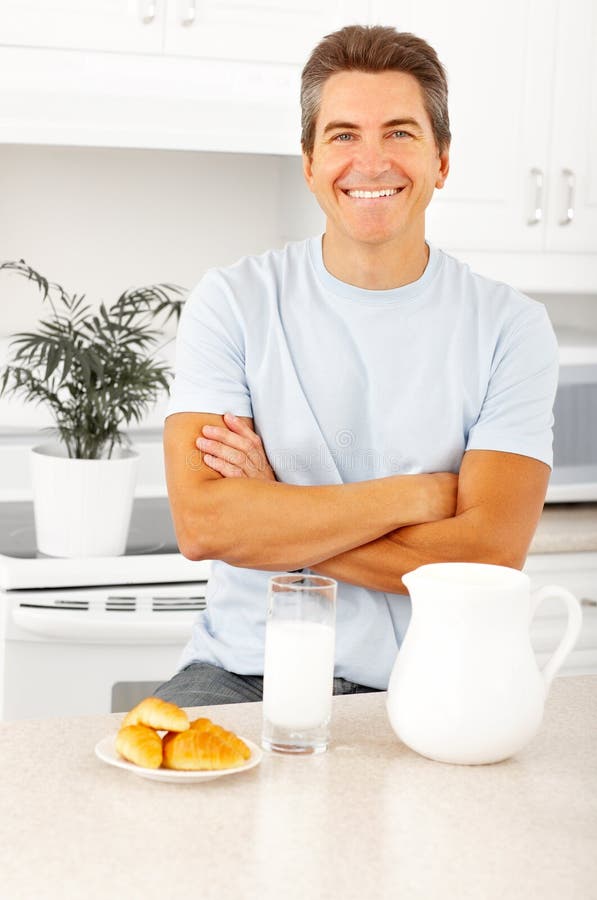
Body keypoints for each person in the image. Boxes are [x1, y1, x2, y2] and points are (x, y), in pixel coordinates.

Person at [155, 25, 558, 707]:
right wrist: (415, 496)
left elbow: (487, 557)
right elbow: (205, 527)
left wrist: (277, 508)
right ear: (309, 162)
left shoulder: (509, 328)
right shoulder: (234, 302)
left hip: (430, 682)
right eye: (343, 135)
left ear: (441, 160)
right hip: (241, 672)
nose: (371, 161)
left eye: (399, 133)